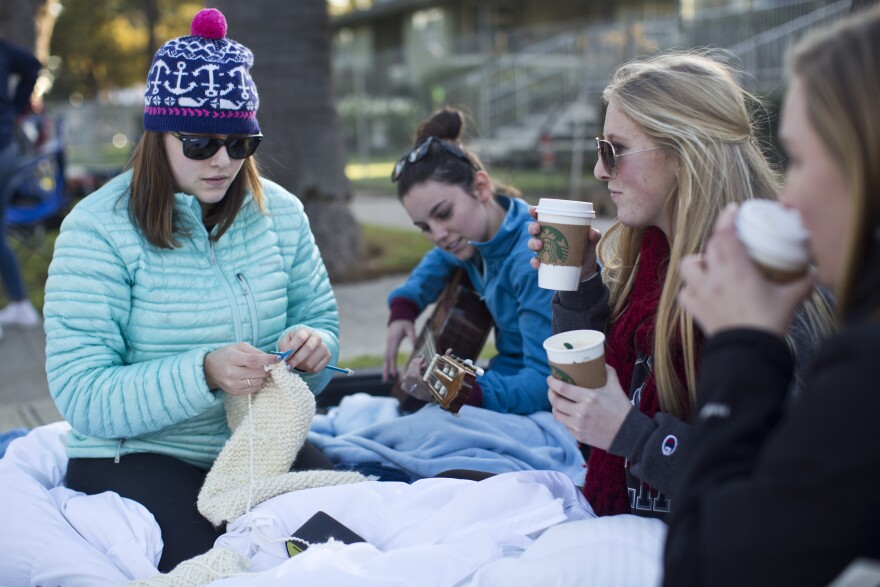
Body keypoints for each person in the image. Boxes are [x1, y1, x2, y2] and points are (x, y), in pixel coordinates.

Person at [43, 9, 339, 572]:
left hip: (255, 442)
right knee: (232, 566)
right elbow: (81, 393)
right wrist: (204, 372)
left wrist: (315, 346)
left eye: (241, 142)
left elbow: (320, 320)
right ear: (159, 134)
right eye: (201, 142)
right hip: (135, 454)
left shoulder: (281, 213)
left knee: (342, 545)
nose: (224, 161)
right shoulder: (97, 229)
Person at [527, 51, 833, 519]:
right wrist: (579, 281)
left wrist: (631, 434)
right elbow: (597, 413)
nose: (600, 171)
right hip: (623, 524)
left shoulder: (774, 294)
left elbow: (781, 491)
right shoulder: (646, 265)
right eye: (600, 149)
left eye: (614, 149)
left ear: (684, 152)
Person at [664, 7, 880, 586]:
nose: (787, 199)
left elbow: (702, 567)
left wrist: (743, 347)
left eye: (800, 160)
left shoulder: (865, 368)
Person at [383, 107, 554, 414]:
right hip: (504, 384)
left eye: (444, 213)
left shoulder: (533, 259)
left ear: (481, 188)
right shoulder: (470, 240)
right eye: (424, 227)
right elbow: (435, 263)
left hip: (534, 406)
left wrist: (463, 392)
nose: (438, 235)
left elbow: (546, 384)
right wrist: (403, 309)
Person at [0, 39, 43, 336]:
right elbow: (32, 65)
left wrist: (16, 107)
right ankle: (20, 304)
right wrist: (14, 108)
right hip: (6, 146)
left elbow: (32, 66)